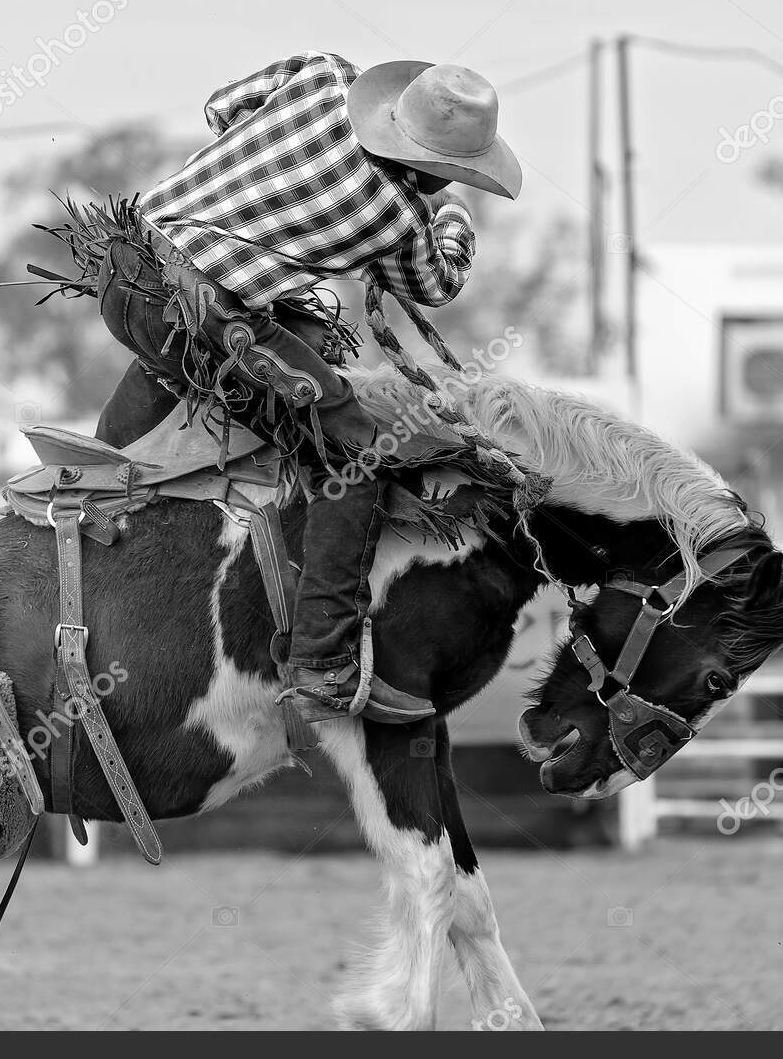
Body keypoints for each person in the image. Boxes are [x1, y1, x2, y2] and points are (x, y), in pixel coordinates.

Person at [79, 52, 522, 726]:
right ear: (442, 170)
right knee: (359, 454)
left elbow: (223, 106)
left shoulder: (321, 74)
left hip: (127, 262)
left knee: (285, 345)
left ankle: (98, 490)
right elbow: (437, 285)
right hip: (204, 316)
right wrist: (453, 214)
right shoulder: (398, 216)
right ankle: (322, 661)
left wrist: (257, 190)